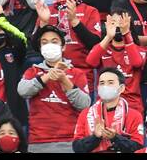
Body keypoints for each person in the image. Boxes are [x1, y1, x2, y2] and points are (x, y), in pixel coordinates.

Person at [17, 24, 92, 153]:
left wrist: (64, 80)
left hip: (70, 141)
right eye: (44, 42)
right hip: (38, 142)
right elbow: (22, 91)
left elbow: (84, 105)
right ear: (40, 48)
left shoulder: (77, 73)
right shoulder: (33, 71)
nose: (49, 45)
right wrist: (46, 77)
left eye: (54, 41)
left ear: (63, 47)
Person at [71, 68, 142, 153]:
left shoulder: (134, 115)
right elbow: (77, 148)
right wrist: (95, 137)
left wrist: (115, 137)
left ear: (121, 88)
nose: (105, 86)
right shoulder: (86, 113)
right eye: (102, 83)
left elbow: (138, 148)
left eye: (110, 83)